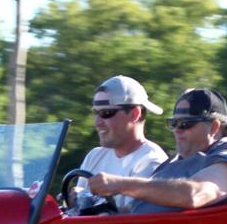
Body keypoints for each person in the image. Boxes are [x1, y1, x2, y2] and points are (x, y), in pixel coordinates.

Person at [86, 88, 227, 213]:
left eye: (186, 124)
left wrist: (121, 184)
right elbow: (135, 210)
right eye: (174, 124)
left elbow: (196, 194)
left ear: (214, 127)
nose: (177, 130)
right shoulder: (172, 164)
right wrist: (106, 213)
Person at [71, 75, 169, 213]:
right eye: (96, 113)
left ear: (134, 114)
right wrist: (77, 197)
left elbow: (130, 221)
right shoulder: (95, 155)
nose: (97, 122)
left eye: (106, 113)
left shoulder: (151, 162)